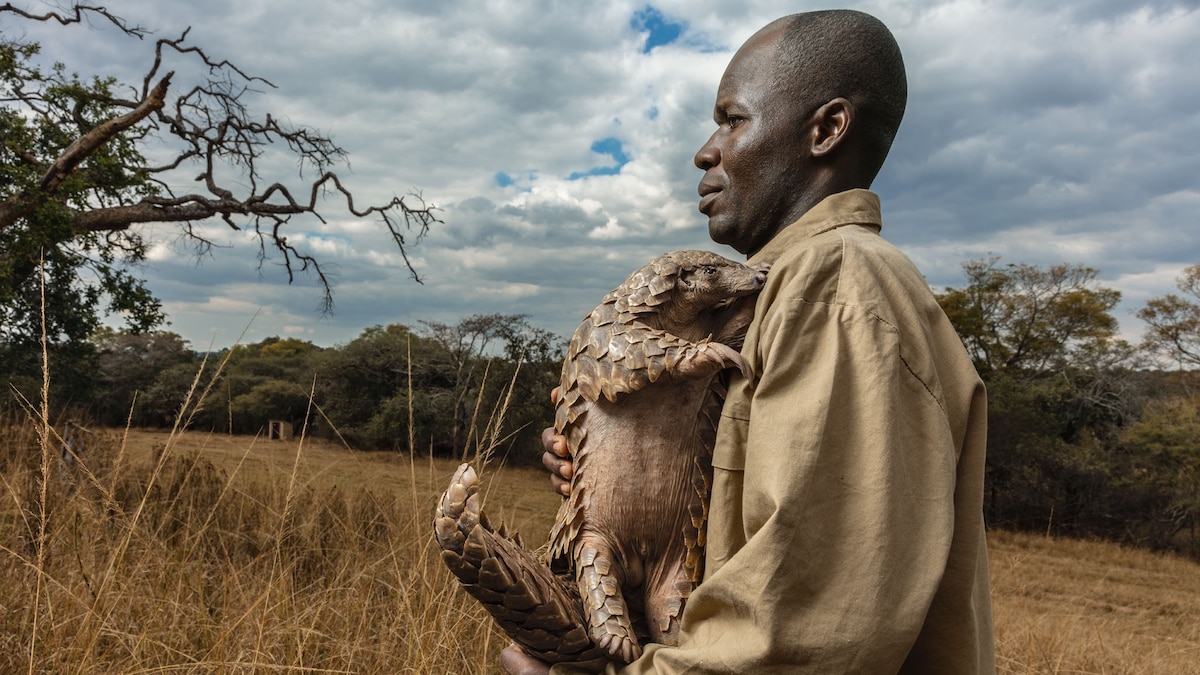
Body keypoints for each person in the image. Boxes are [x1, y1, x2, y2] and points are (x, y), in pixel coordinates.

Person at [502, 9, 995, 674]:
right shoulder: (771, 297)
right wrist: (621, 471)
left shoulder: (837, 284)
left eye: (732, 119)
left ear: (826, 129)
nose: (706, 150)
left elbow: (797, 624)